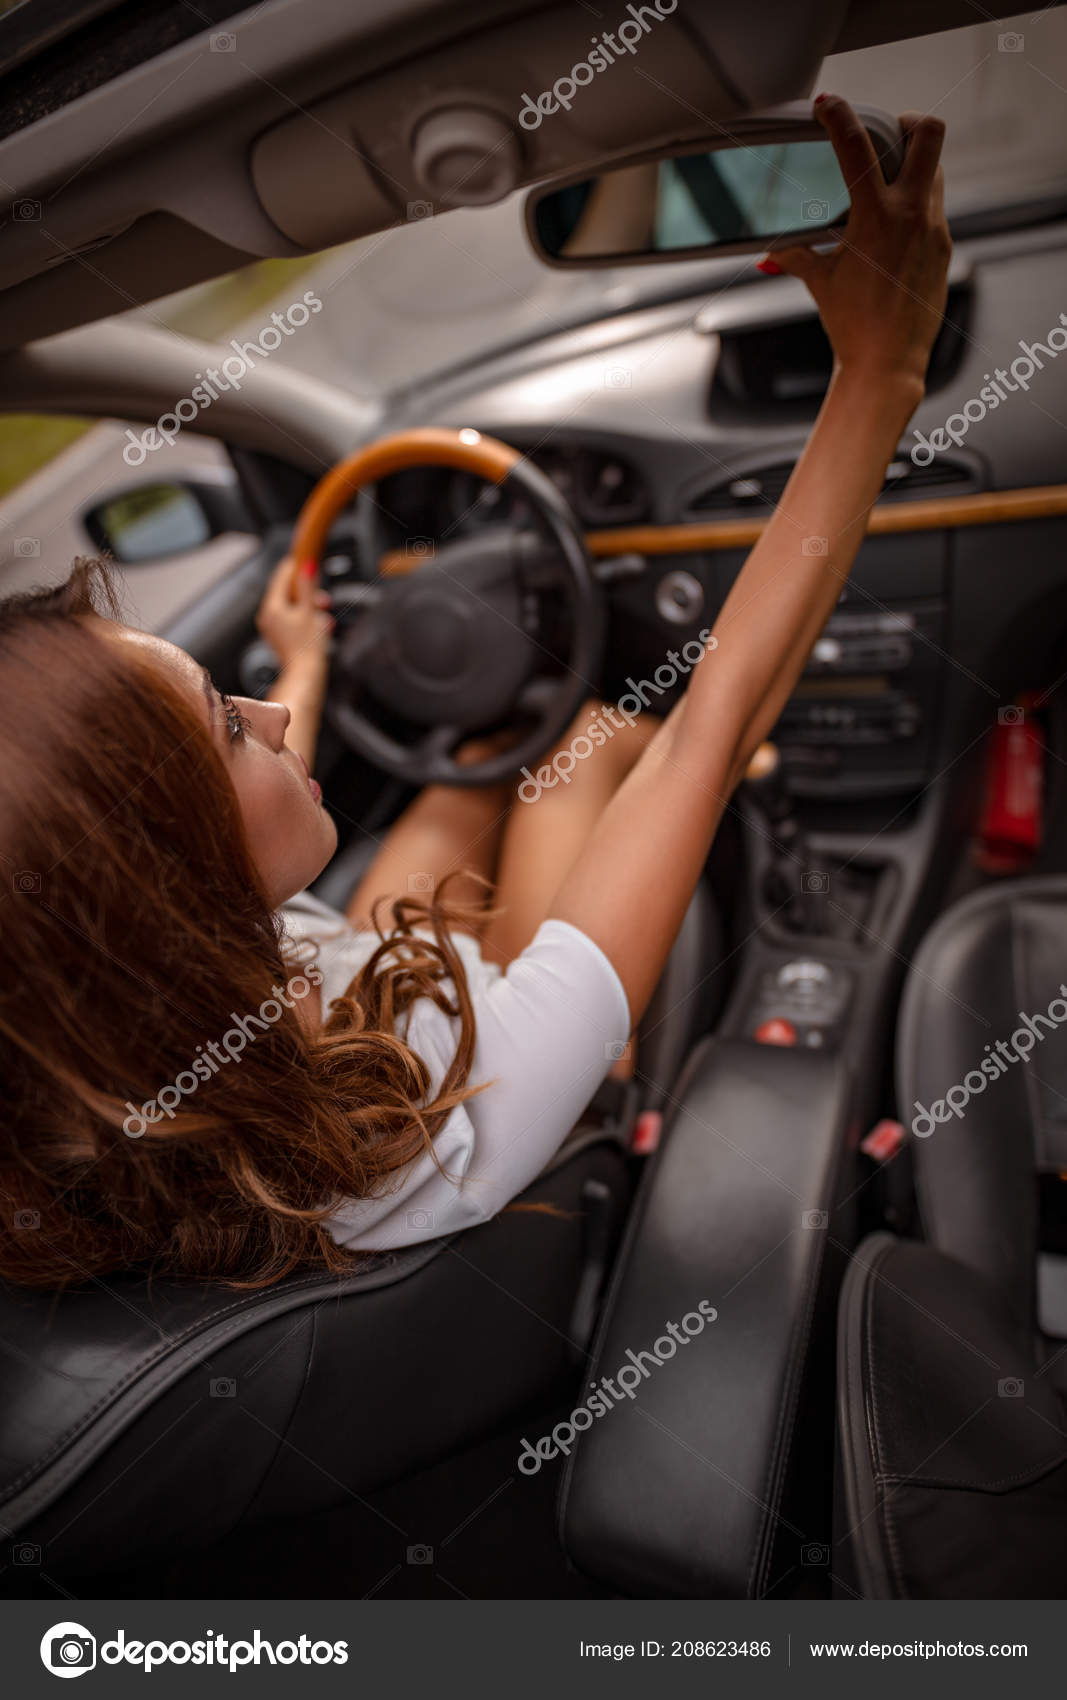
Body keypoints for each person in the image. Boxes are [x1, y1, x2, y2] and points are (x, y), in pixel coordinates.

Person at [0, 96, 950, 1289]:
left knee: (487, 755)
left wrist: (306, 657)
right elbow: (709, 730)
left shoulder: (106, 1059)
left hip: (343, 989)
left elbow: (282, 885)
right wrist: (883, 364)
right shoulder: (409, 1141)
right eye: (229, 726)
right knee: (594, 735)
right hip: (515, 1077)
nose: (279, 716)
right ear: (163, 875)